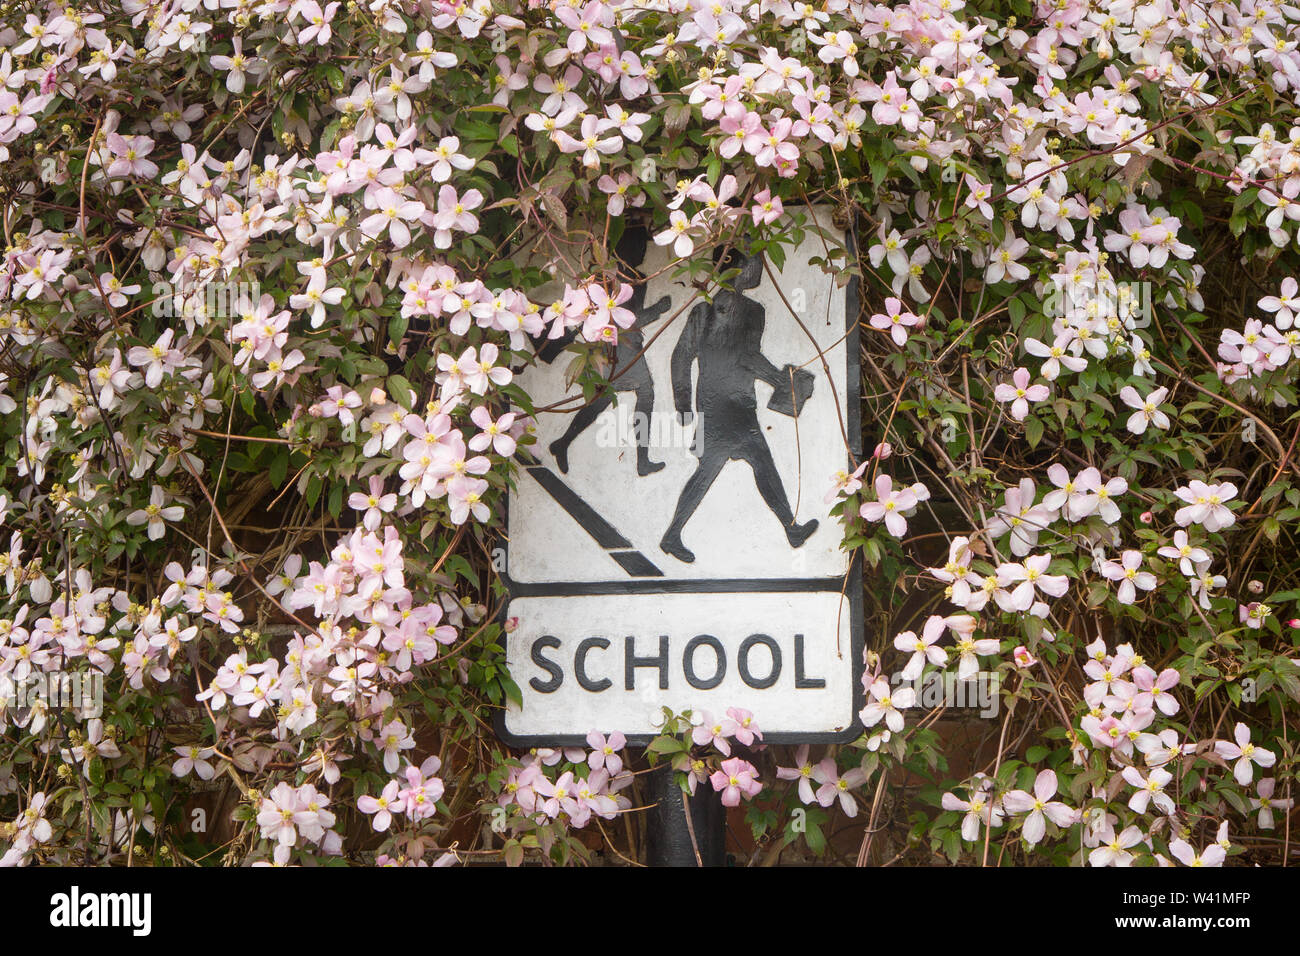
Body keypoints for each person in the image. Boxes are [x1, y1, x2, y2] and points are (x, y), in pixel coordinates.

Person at [659, 247, 819, 563]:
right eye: (755, 263)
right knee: (721, 469)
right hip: (722, 406)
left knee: (753, 464)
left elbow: (687, 356)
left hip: (733, 403)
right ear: (737, 268)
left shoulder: (732, 310)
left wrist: (684, 403)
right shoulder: (723, 311)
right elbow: (730, 356)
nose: (760, 268)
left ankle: (790, 528)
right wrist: (777, 379)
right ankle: (673, 534)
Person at [549, 227, 671, 476]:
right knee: (617, 399)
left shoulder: (638, 278)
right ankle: (641, 459)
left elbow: (629, 318)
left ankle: (564, 443)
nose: (642, 253)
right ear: (624, 251)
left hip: (628, 348)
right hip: (615, 349)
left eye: (642, 248)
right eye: (638, 248)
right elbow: (619, 320)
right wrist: (657, 310)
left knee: (607, 400)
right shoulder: (607, 281)